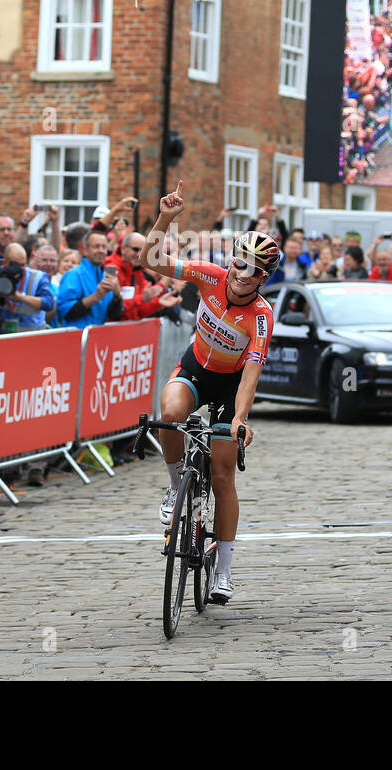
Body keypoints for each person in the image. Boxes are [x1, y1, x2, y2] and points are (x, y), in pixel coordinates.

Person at [140, 181, 277, 605]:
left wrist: (240, 419)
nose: (240, 273)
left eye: (252, 269)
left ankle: (224, 571)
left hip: (231, 384)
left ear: (263, 277)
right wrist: (166, 218)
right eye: (238, 262)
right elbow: (151, 259)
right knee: (170, 409)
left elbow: (252, 370)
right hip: (197, 366)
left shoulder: (260, 316)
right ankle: (175, 482)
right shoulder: (210, 276)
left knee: (221, 475)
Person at [55, 228, 121, 329]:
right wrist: (96, 297)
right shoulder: (74, 274)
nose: (101, 251)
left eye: (104, 247)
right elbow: (65, 312)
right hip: (76, 338)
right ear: (85, 250)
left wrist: (117, 296)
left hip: (98, 338)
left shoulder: (106, 276)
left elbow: (114, 316)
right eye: (96, 247)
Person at [0, 242, 55, 331]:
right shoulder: (0, 275)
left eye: (23, 265)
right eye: (16, 265)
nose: (21, 269)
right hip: (5, 334)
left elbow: (48, 304)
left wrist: (19, 297)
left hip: (32, 336)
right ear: (5, 263)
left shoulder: (38, 277)